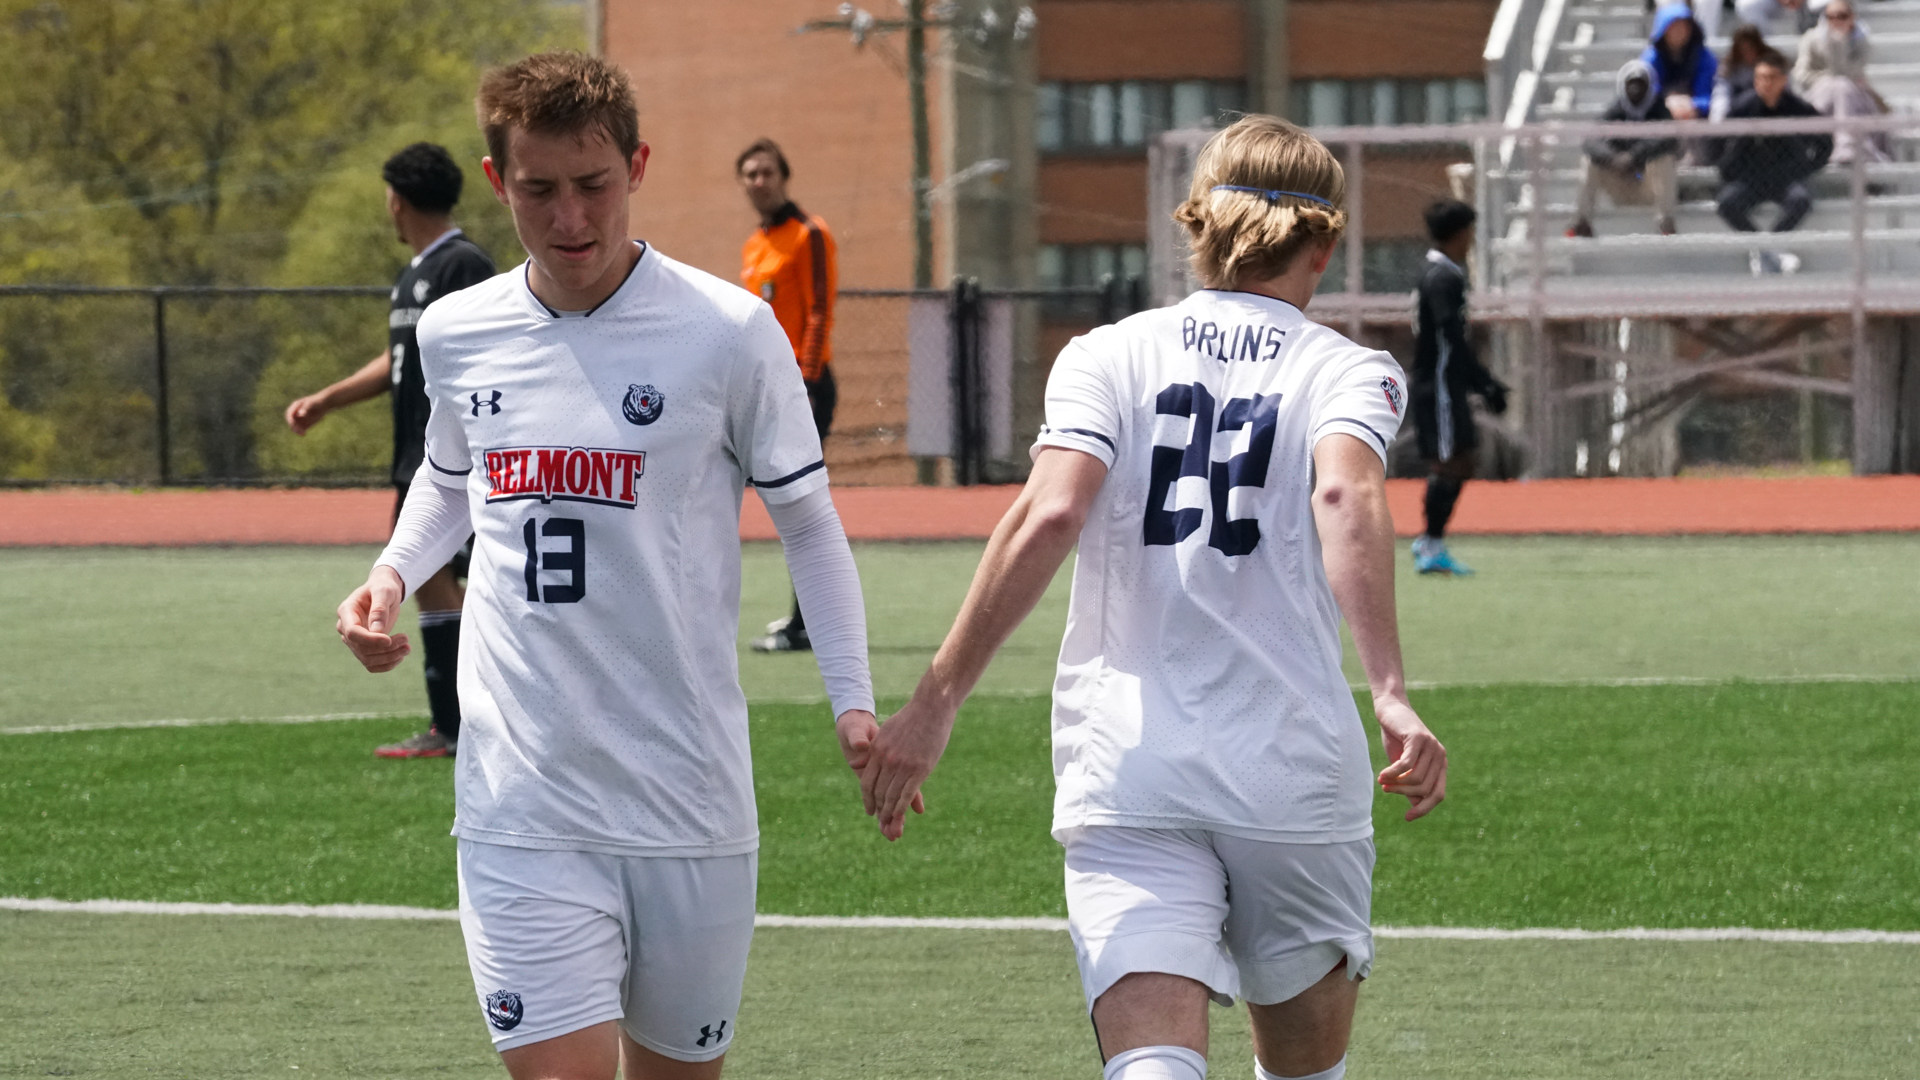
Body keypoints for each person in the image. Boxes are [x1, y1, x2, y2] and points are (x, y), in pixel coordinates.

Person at [851, 115, 1448, 1080]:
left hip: (1132, 769)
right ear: (1325, 246)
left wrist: (936, 699)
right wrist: (1388, 688)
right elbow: (1345, 493)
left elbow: (1049, 515)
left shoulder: (1106, 354)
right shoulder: (1350, 369)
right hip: (1291, 771)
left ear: (1194, 225)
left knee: (1154, 1067)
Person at [333, 52, 875, 1080]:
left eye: (595, 187)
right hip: (523, 804)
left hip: (688, 801)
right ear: (499, 183)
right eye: (539, 191)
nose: (570, 217)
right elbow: (452, 478)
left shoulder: (728, 331)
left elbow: (806, 519)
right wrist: (393, 574)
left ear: (639, 166)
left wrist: (850, 699)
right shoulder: (460, 331)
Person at [284, 142, 495, 758]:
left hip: (456, 461)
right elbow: (398, 359)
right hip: (415, 457)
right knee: (430, 581)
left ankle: (460, 726)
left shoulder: (463, 265)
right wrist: (329, 398)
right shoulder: (415, 274)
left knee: (455, 582)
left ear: (396, 200)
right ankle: (453, 725)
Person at [736, 138, 839, 654]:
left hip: (805, 385)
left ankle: (809, 626)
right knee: (779, 502)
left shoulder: (809, 234)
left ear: (785, 176)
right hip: (766, 387)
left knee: (801, 502)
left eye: (768, 171)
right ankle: (803, 618)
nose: (759, 181)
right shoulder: (755, 245)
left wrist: (807, 380)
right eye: (750, 173)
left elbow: (820, 308)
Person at [1411, 200, 1507, 577]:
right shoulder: (1443, 277)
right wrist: (1484, 382)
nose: (1472, 238)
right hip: (1438, 386)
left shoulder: (1441, 271)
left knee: (1462, 460)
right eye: (1469, 230)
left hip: (1444, 383)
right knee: (1451, 462)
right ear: (1460, 233)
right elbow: (1450, 335)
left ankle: (1430, 541)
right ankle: (1430, 545)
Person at [1717, 49, 1833, 240]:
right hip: (1749, 179)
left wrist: (1805, 168)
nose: (1765, 83)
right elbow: (1716, 142)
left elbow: (1824, 142)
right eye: (1760, 77)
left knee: (1801, 201)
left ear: (1783, 80)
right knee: (1727, 203)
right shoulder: (1742, 107)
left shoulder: (1798, 108)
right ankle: (1761, 247)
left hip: (1786, 179)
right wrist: (1729, 167)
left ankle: (1772, 245)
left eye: (1771, 77)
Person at [1568, 59, 1682, 237]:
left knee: (1665, 160)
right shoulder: (1615, 112)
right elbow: (1590, 141)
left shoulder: (1659, 110)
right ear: (1623, 86)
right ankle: (1582, 223)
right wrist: (1613, 158)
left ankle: (1665, 223)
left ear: (1650, 86)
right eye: (1631, 84)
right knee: (1589, 162)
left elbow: (1669, 137)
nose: (1635, 89)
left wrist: (1634, 156)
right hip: (1619, 184)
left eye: (1641, 84)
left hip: (1649, 188)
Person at [1794, 0, 1889, 163]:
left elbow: (1853, 71)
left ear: (1852, 17)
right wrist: (1830, 80)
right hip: (1821, 94)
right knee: (1840, 87)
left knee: (1844, 89)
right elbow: (1802, 75)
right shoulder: (1811, 39)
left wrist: (1841, 43)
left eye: (1842, 16)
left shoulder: (1860, 40)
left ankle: (1854, 148)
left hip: (1853, 94)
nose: (1836, 21)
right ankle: (1848, 146)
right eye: (1830, 17)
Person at [1643, 3, 1719, 120]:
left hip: (1697, 120)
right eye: (1674, 27)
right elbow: (1647, 95)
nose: (1679, 31)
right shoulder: (1650, 59)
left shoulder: (1704, 57)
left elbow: (1708, 94)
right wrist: (1667, 105)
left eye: (1684, 26)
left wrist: (1693, 105)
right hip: (1659, 121)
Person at [1711, 24, 1769, 121]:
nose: (1747, 53)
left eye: (1751, 48)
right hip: (1738, 116)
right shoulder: (1728, 68)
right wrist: (1718, 119)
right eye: (1742, 49)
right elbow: (1721, 94)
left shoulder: (1771, 65)